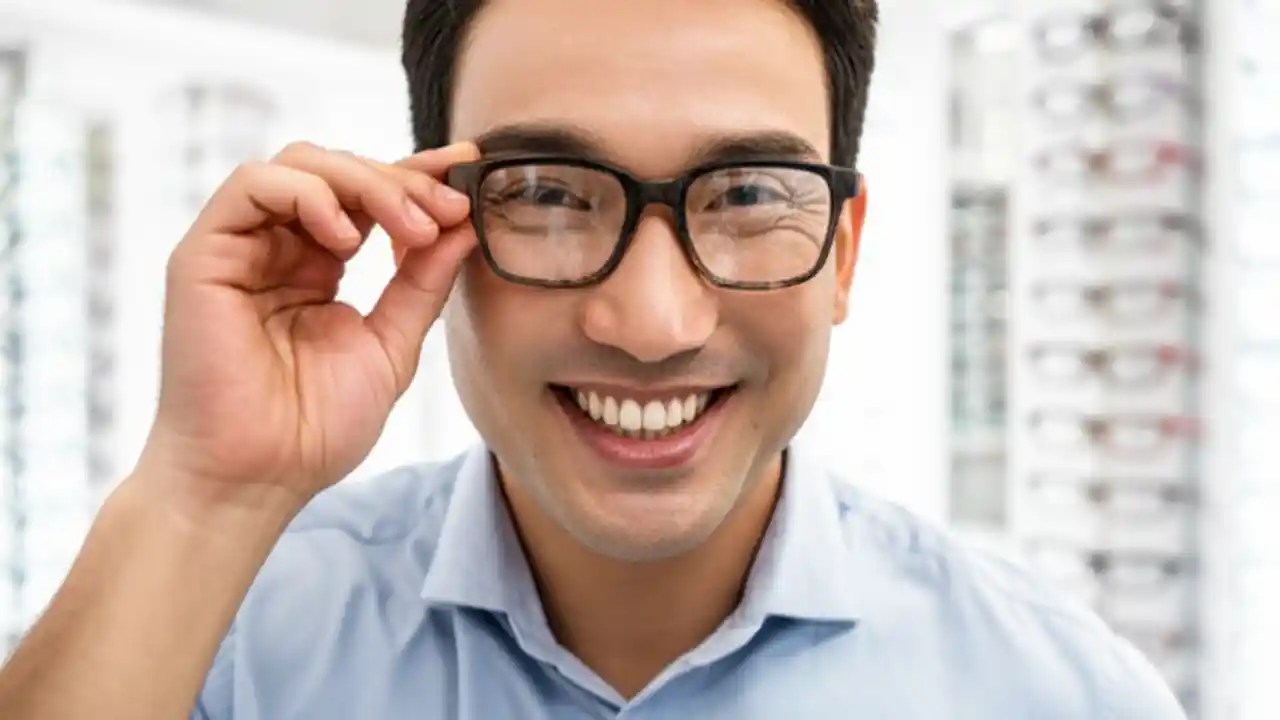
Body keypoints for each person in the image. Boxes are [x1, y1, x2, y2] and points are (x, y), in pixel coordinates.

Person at [0, 1, 1188, 718]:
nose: (654, 318)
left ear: (840, 251)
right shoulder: (224, 651)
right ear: (432, 222)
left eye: (747, 195)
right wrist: (206, 495)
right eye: (549, 194)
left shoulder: (1063, 696)